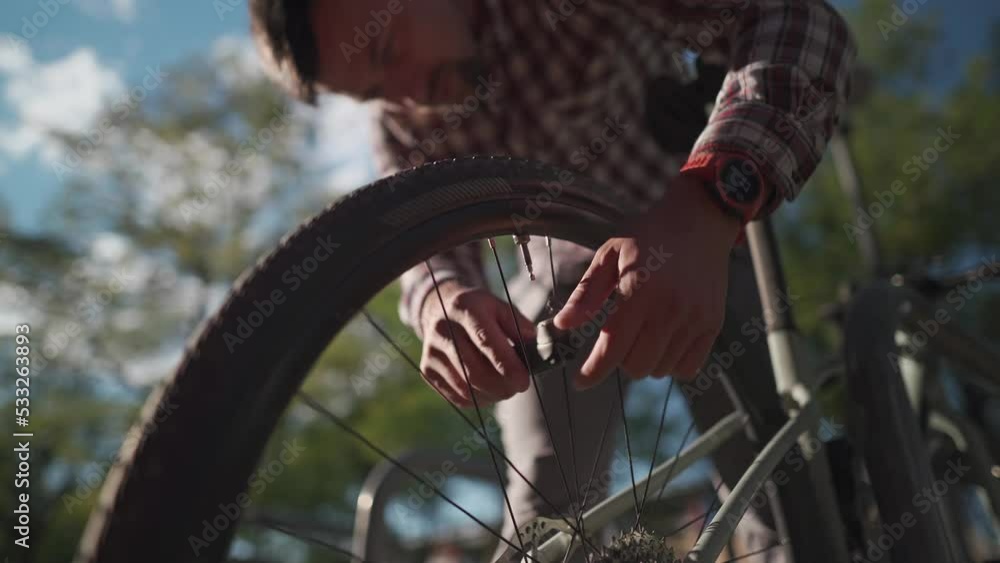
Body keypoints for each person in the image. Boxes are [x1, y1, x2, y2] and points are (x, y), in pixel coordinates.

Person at [249, 1, 856, 561]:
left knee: (779, 484)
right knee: (547, 515)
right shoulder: (404, 123)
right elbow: (426, 246)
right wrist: (442, 303)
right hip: (563, 280)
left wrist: (706, 207)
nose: (407, 96)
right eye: (376, 91)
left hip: (705, 230)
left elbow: (794, 21)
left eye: (387, 50)